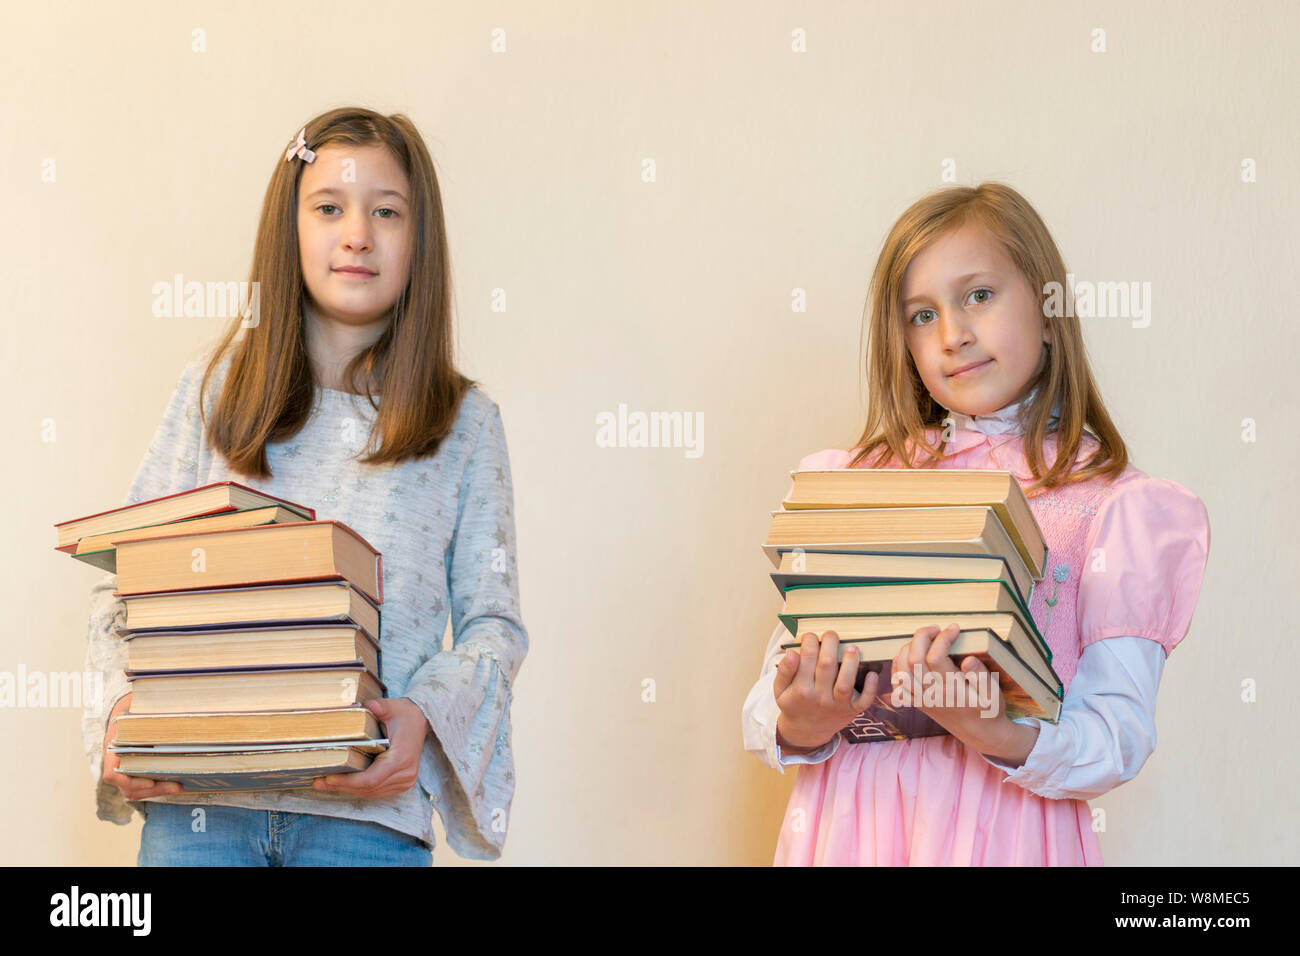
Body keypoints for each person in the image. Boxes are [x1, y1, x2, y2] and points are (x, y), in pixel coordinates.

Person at [82, 107, 528, 866]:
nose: (357, 234)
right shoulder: (211, 393)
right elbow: (127, 578)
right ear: (288, 228)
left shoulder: (466, 425)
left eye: (387, 212)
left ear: (422, 240)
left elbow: (494, 624)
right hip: (202, 813)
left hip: (368, 825)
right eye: (329, 208)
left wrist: (421, 716)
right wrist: (119, 711)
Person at [741, 182, 1210, 865]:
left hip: (1008, 837)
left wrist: (1000, 732)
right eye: (922, 315)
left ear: (1050, 311)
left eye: (979, 296)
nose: (953, 334)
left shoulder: (1113, 508)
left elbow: (1116, 738)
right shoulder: (854, 485)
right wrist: (800, 720)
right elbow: (768, 694)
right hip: (851, 831)